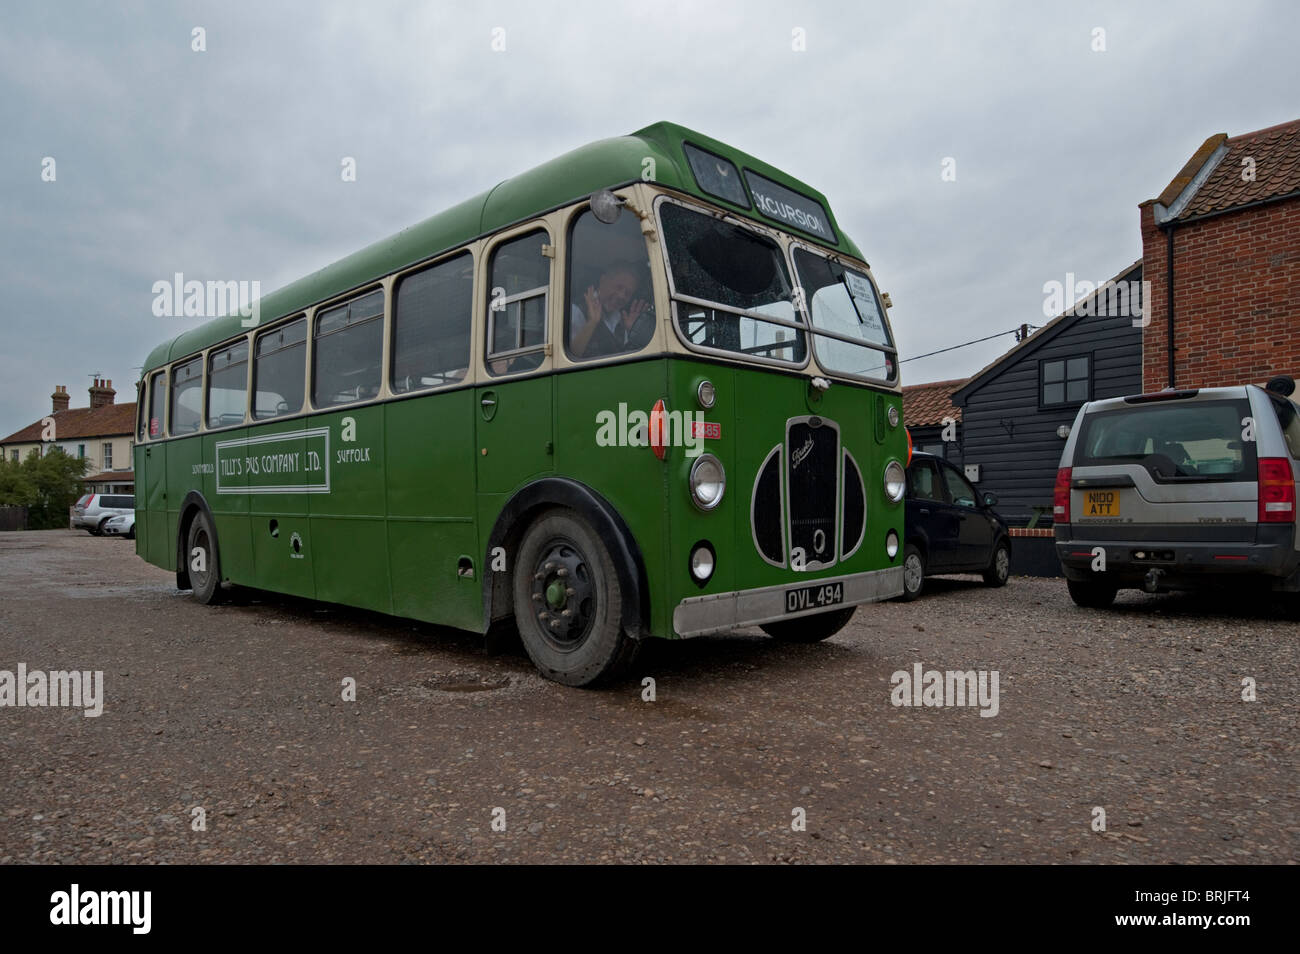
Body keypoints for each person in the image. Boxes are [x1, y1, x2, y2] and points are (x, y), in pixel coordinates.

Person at [569, 263, 653, 359]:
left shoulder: (621, 320)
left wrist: (632, 332)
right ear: (603, 281)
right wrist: (592, 323)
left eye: (628, 293)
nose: (621, 296)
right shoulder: (576, 310)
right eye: (618, 287)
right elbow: (570, 357)